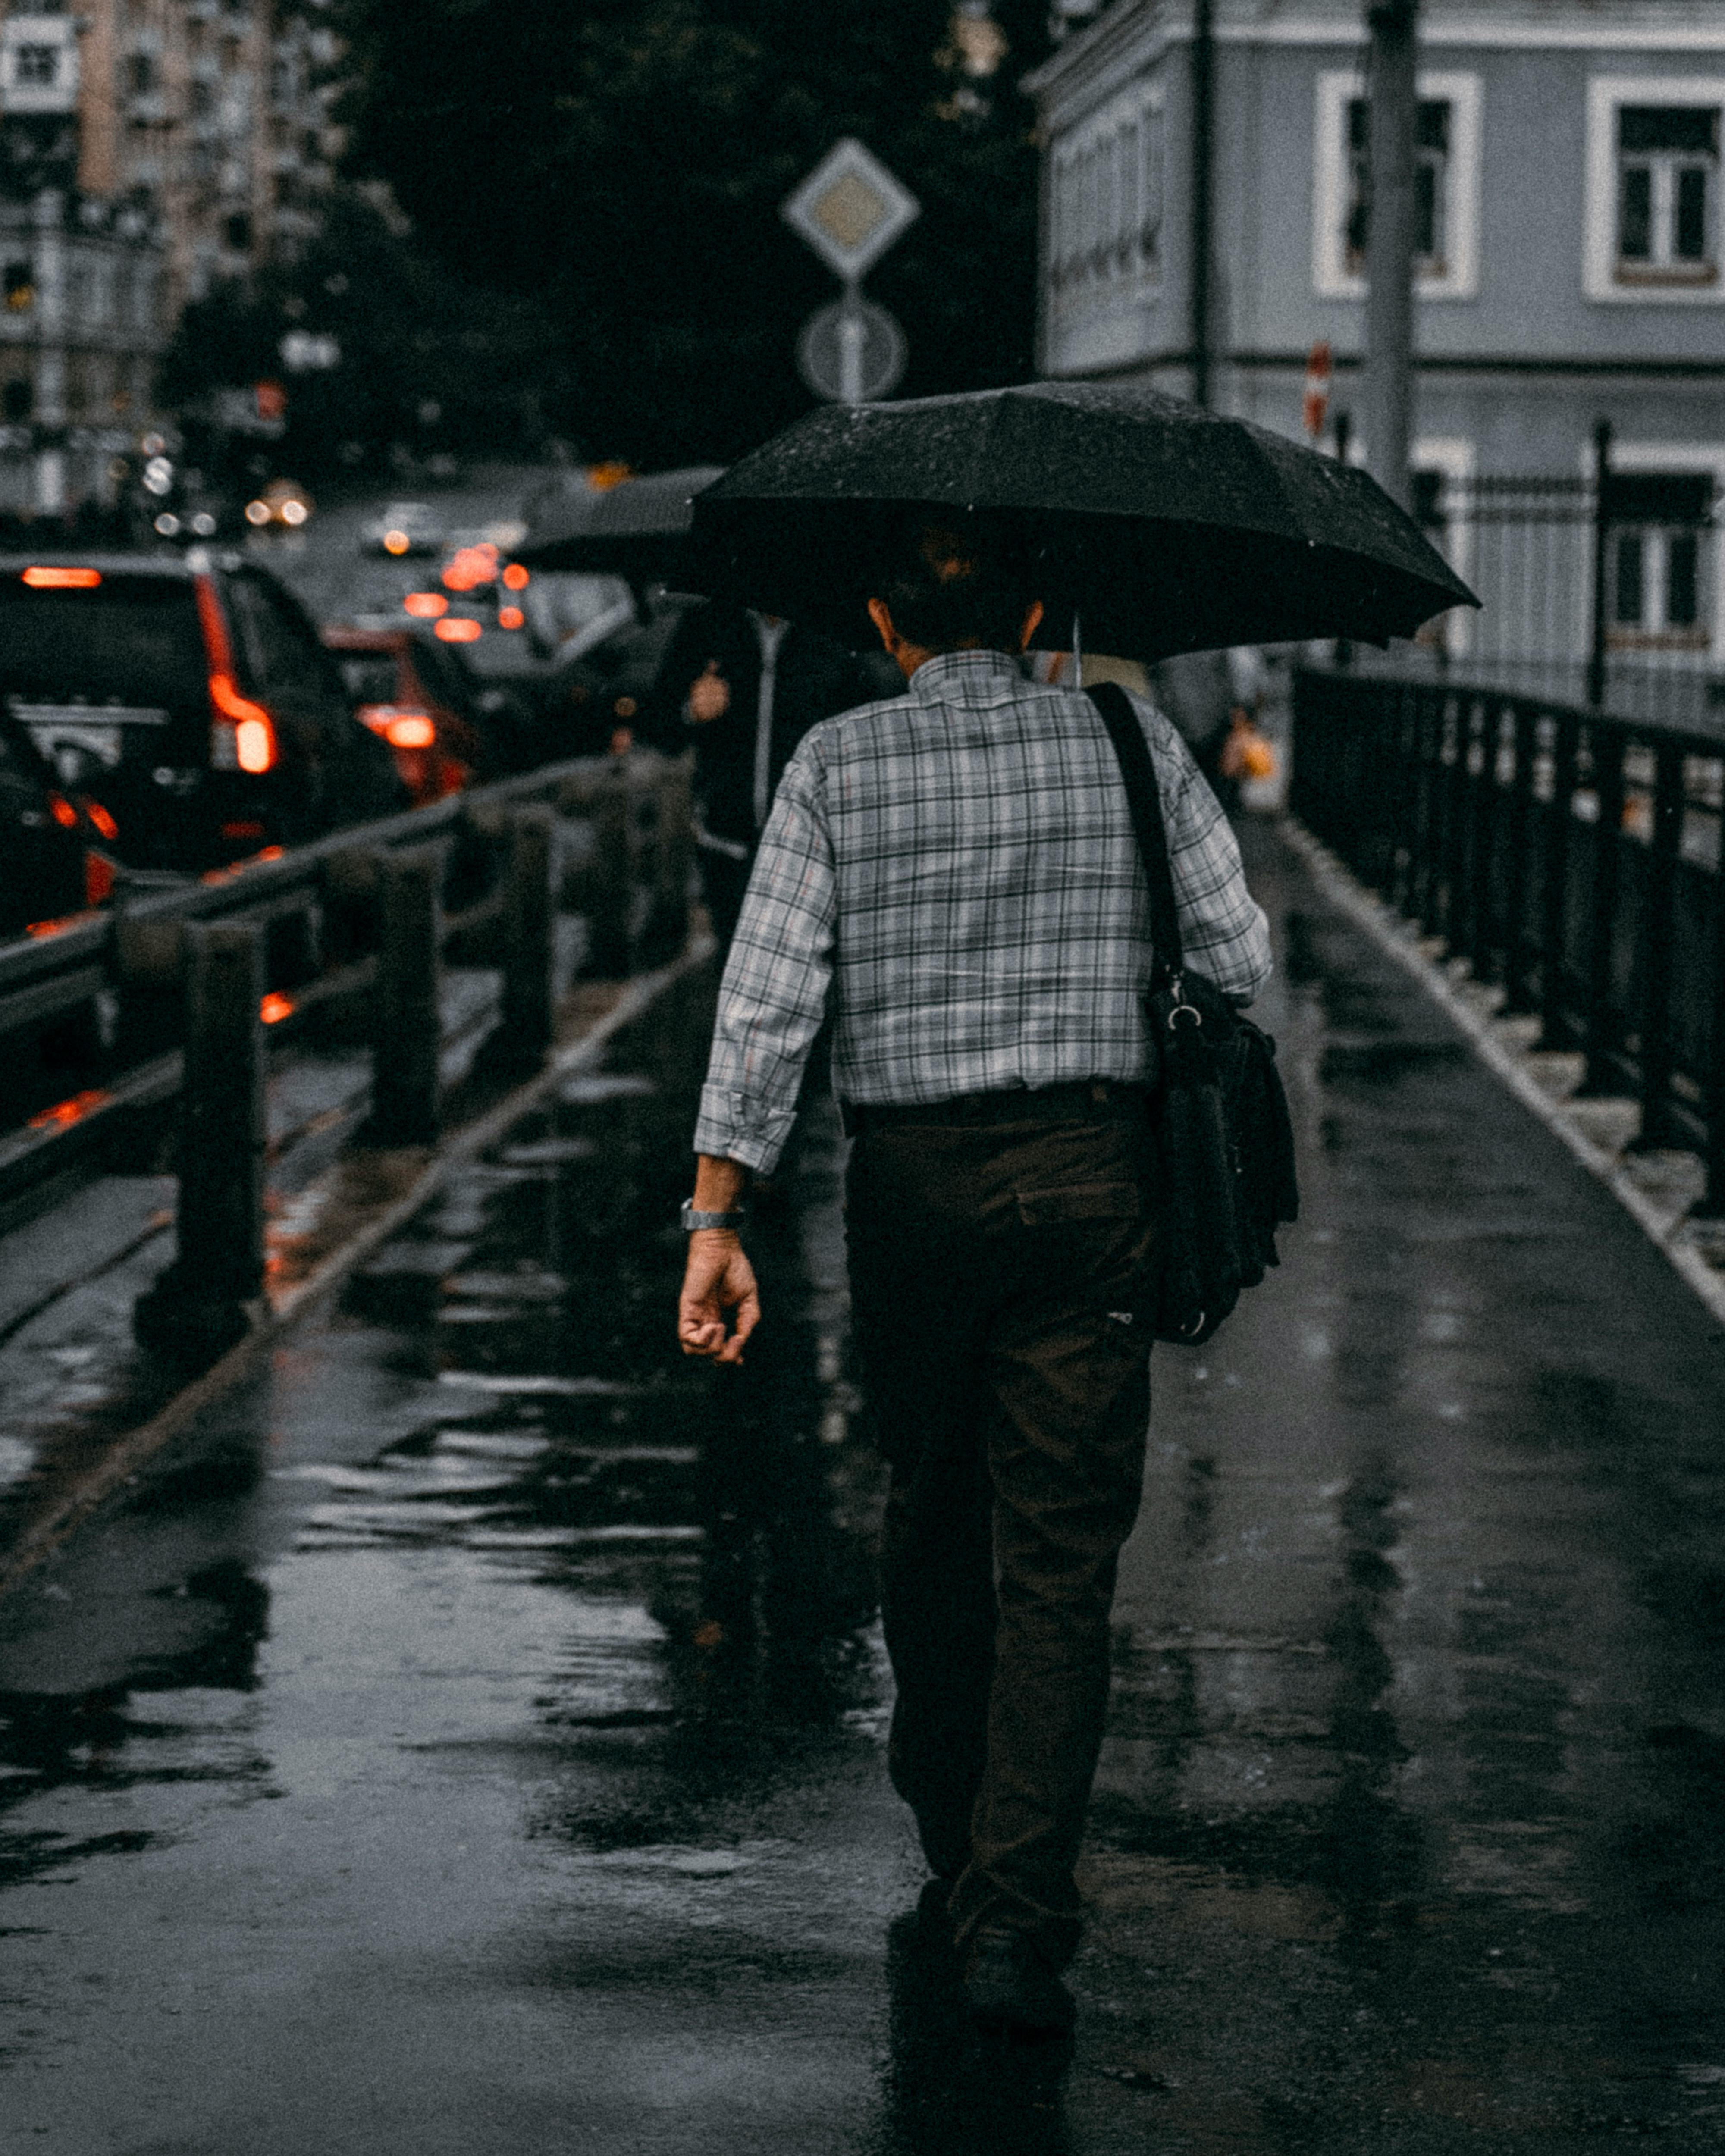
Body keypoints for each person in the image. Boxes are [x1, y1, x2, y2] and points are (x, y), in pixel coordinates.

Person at [674, 515, 1272, 2036]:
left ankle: (953, 1836)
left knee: (934, 1511)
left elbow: (768, 1003)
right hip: (1093, 1176)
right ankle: (1016, 1915)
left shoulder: (834, 762)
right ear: (1037, 611)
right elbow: (1238, 958)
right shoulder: (1130, 742)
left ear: (883, 618)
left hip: (914, 1186)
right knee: (1062, 1553)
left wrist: (717, 1217)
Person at [643, 599, 878, 946]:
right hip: (728, 845)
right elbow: (657, 730)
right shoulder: (707, 626)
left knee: (806, 974)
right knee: (739, 974)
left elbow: (865, 732)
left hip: (809, 849)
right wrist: (691, 711)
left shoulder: (833, 634)